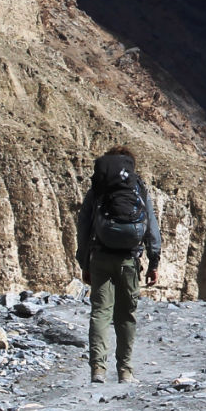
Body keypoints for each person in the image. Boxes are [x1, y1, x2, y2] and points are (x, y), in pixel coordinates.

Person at [77, 146, 161, 383]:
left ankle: (98, 369)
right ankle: (125, 371)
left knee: (100, 313)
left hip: (100, 257)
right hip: (129, 259)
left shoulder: (98, 188)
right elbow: (151, 227)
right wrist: (154, 262)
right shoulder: (138, 187)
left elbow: (84, 225)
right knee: (126, 316)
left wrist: (84, 262)